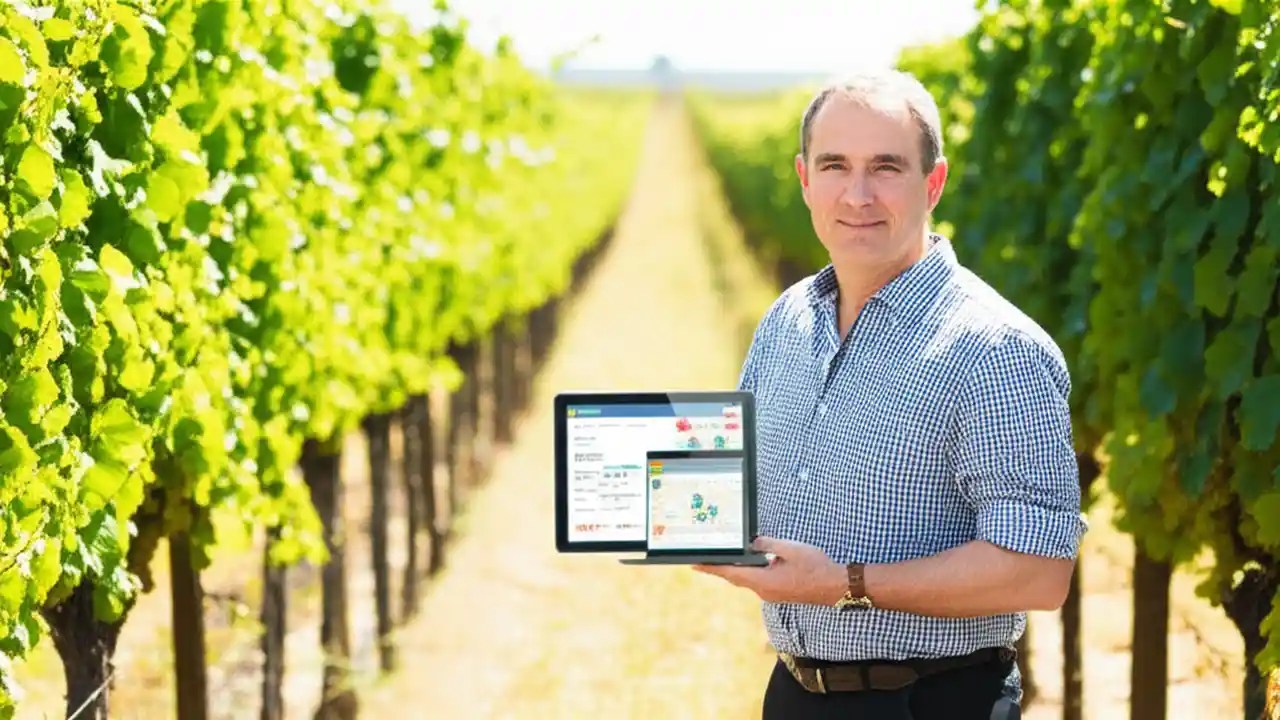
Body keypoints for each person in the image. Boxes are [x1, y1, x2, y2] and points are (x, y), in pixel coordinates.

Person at [693, 69, 1088, 720]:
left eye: (885, 167)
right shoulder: (788, 320)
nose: (857, 194)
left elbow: (1038, 572)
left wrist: (844, 586)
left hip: (931, 701)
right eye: (834, 166)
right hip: (794, 696)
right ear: (803, 180)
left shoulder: (996, 350)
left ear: (933, 182)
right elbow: (743, 487)